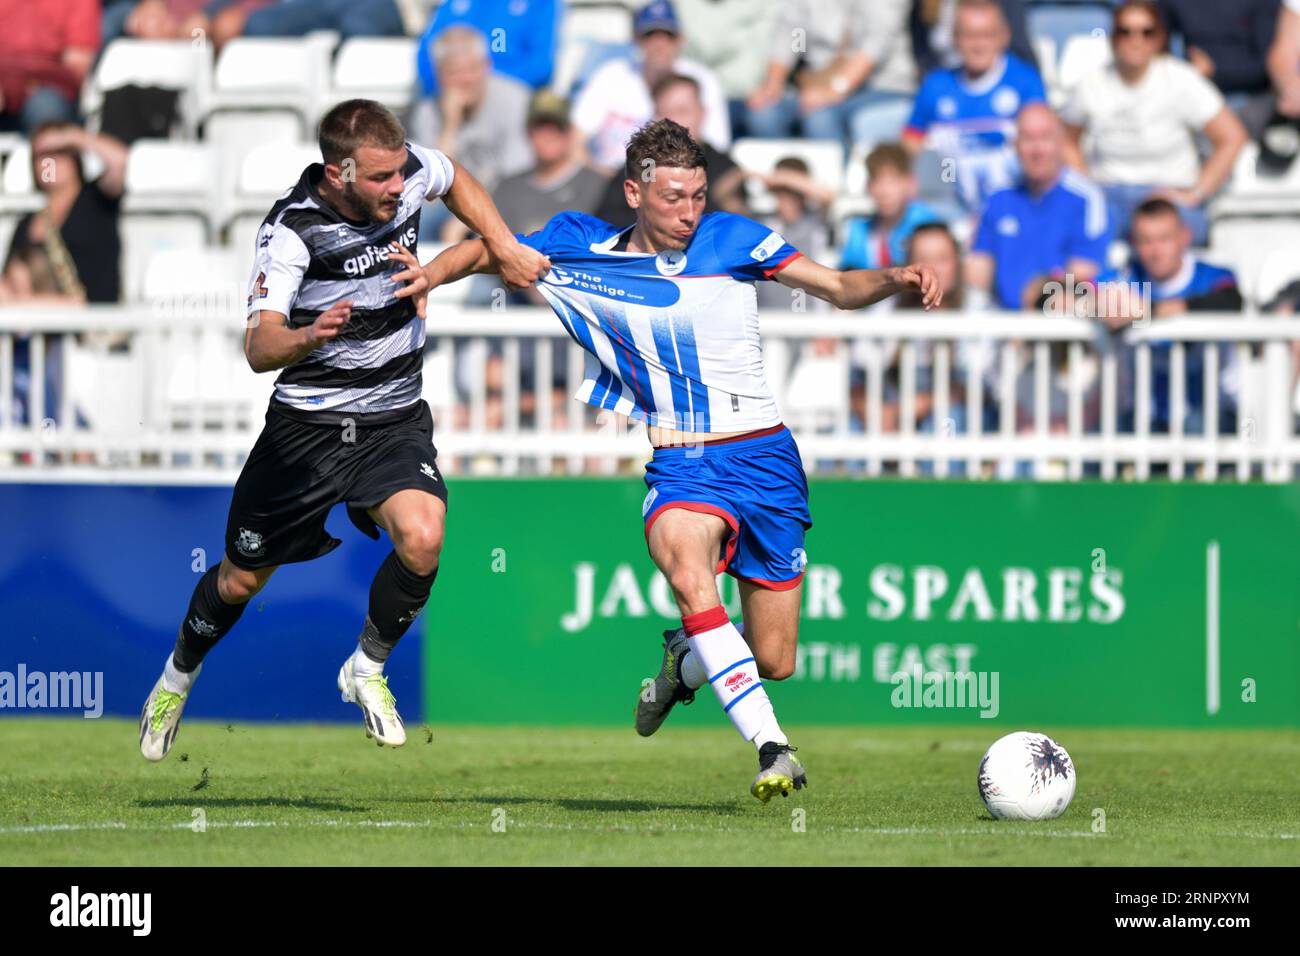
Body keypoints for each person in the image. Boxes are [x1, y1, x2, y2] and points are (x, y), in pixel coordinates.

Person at [422, 118, 940, 801]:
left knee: (775, 659)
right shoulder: (580, 245)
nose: (690, 211)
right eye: (673, 197)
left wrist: (895, 278)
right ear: (634, 193)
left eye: (697, 194)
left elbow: (838, 286)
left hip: (766, 459)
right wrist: (425, 279)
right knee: (692, 580)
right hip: (682, 462)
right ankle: (773, 748)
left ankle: (685, 662)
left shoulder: (732, 237)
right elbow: (487, 248)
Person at [137, 99, 550, 762]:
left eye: (401, 174)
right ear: (340, 171)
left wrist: (499, 243)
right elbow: (258, 346)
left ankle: (367, 667)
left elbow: (456, 178)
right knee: (242, 581)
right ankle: (177, 676)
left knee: (424, 536)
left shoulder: (410, 170)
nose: (400, 186)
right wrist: (305, 336)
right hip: (308, 428)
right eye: (383, 178)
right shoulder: (292, 231)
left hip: (392, 414)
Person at [1061, 0, 1248, 246]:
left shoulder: (1182, 80)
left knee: (1175, 237)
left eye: (1146, 32)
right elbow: (1065, 140)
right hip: (1110, 194)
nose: (1135, 39)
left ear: (1159, 38)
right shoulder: (1091, 84)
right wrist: (1088, 188)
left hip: (1170, 194)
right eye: (1125, 31)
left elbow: (1232, 137)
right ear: (1112, 37)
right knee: (1068, 231)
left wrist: (1196, 193)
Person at [1096, 198, 1243, 435]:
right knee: (1103, 436)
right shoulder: (1123, 278)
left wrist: (1149, 311)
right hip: (1145, 418)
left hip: (1207, 414)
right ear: (1134, 243)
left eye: (1164, 239)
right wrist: (1098, 305)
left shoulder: (1211, 276)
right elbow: (1054, 295)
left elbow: (1231, 301)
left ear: (1185, 236)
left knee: (1197, 428)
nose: (1155, 251)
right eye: (1146, 241)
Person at [903, 0, 1046, 215]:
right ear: (955, 38)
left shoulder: (1024, 82)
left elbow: (1042, 144)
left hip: (1012, 199)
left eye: (987, 35)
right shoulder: (936, 85)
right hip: (950, 195)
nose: (978, 45)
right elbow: (911, 141)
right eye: (969, 35)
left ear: (1004, 36)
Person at [966, 104, 1110, 312]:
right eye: (1027, 139)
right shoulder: (999, 198)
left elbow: (1082, 276)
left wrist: (1033, 306)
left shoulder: (1086, 198)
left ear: (1062, 143)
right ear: (1015, 145)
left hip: (1059, 325)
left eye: (1045, 138)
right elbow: (978, 273)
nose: (1036, 149)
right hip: (1001, 324)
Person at [406, 24, 533, 243]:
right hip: (450, 205)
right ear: (438, 75)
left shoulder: (515, 100)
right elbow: (430, 191)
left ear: (487, 66)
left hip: (504, 201)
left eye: (471, 70)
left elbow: (517, 178)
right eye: (454, 73)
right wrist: (450, 125)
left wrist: (471, 218)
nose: (464, 81)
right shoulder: (427, 113)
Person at [573, 0, 730, 174]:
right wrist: (608, 182)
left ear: (680, 39)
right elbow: (575, 139)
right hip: (608, 180)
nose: (659, 44)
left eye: (667, 35)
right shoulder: (611, 75)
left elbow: (715, 147)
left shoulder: (701, 80)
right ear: (636, 40)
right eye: (650, 35)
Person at [747, 0, 916, 148]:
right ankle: (784, 179)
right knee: (764, 115)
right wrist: (774, 83)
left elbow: (878, 42)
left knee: (819, 118)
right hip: (818, 85)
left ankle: (831, 182)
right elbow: (793, 35)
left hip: (881, 85)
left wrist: (836, 89)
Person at [593, 73, 745, 229]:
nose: (675, 122)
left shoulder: (726, 171)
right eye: (666, 113)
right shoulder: (639, 167)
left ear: (703, 112)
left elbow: (736, 231)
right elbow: (606, 225)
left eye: (683, 111)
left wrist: (727, 201)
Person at [1160, 0, 1281, 141]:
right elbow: (1155, 44)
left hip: (1249, 100)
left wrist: (1213, 70)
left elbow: (1267, 66)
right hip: (1195, 95)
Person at [839, 143, 943, 271]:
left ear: (910, 183)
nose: (884, 191)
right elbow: (847, 276)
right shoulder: (859, 229)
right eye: (877, 181)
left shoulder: (926, 224)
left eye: (893, 181)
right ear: (868, 186)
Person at [0, 0, 99, 133]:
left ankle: (47, 152)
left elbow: (78, 64)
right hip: (4, 79)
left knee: (45, 108)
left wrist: (25, 84)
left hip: (46, 87)